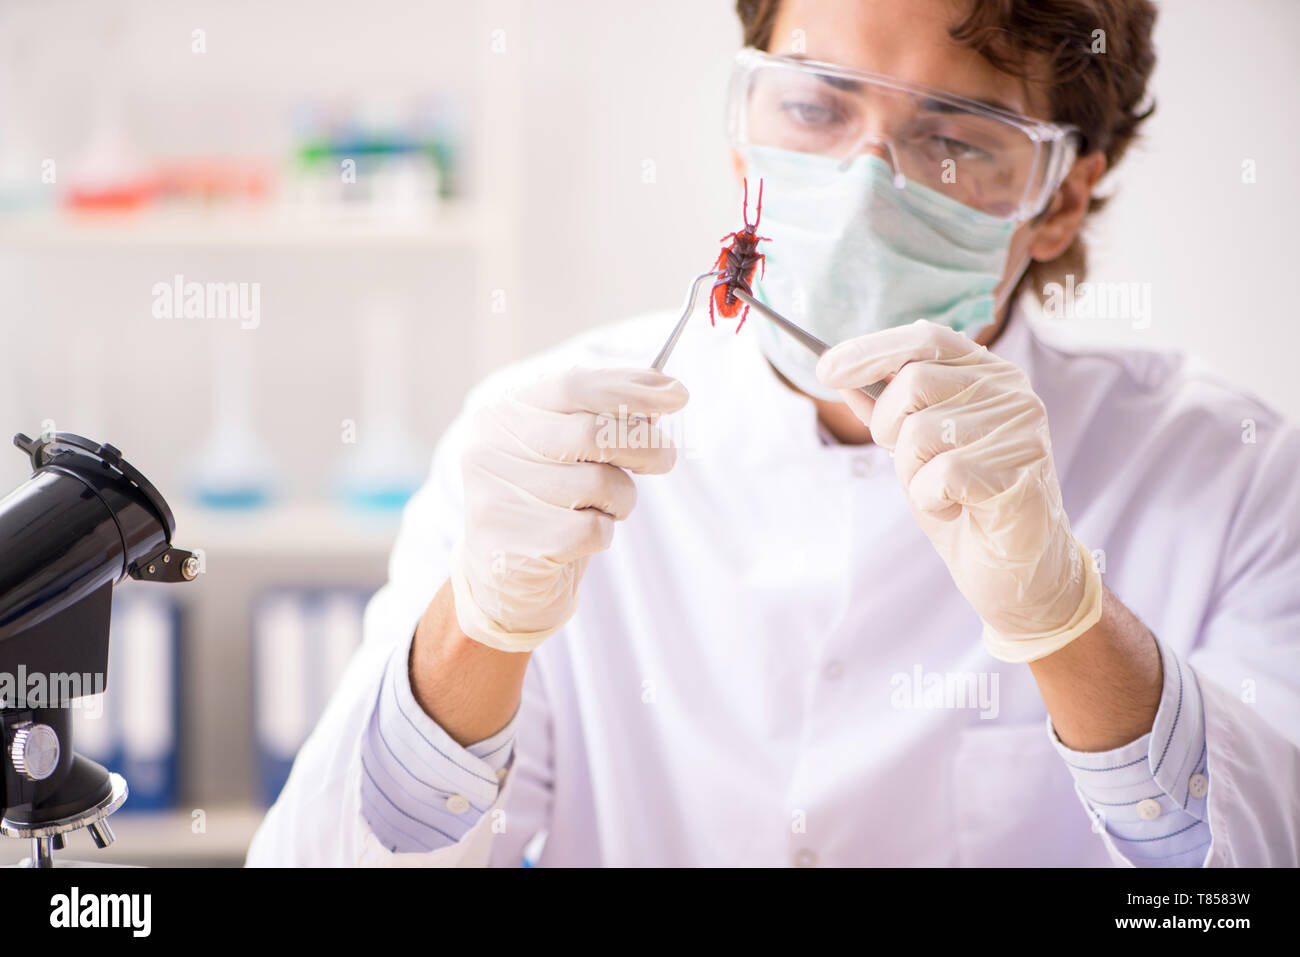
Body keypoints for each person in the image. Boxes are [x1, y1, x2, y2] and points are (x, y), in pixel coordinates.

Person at [246, 0, 1300, 866]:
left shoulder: (1229, 474)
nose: (858, 192)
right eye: (809, 106)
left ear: (1061, 197)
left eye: (950, 139)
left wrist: (1067, 621)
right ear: (744, 110)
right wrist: (481, 621)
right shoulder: (546, 444)